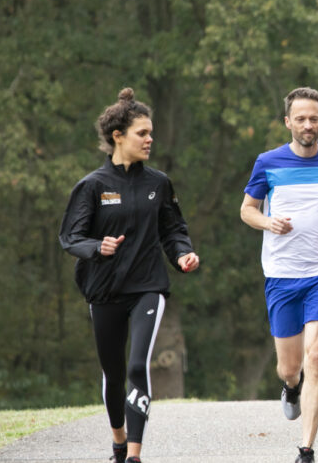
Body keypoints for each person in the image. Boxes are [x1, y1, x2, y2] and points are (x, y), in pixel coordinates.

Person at [59, 88, 201, 463]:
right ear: (117, 136)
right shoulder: (92, 186)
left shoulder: (158, 183)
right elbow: (70, 237)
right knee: (114, 372)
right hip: (103, 289)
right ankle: (119, 441)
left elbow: (173, 231)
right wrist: (97, 248)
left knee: (139, 364)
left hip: (147, 287)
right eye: (142, 133)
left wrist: (183, 254)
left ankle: (135, 455)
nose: (150, 139)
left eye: (151, 132)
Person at [239, 86, 318, 463]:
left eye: (314, 118)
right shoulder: (267, 161)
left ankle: (306, 448)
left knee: (316, 356)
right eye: (301, 119)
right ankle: (290, 388)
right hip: (281, 273)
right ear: (287, 122)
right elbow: (247, 209)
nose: (307, 125)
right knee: (290, 367)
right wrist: (267, 222)